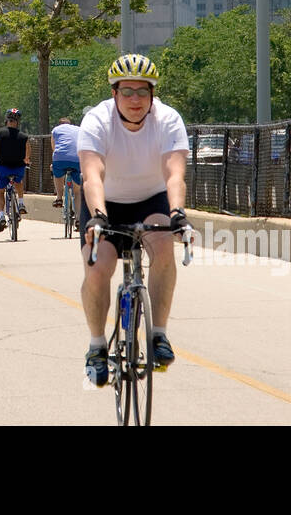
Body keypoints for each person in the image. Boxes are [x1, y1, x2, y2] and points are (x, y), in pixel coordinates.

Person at [78, 53, 191, 387]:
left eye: (143, 92)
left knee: (162, 246)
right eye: (127, 91)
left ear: (152, 95)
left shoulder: (169, 120)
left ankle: (159, 334)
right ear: (114, 94)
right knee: (98, 269)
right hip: (104, 203)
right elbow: (92, 175)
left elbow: (174, 174)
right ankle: (97, 346)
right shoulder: (97, 121)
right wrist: (98, 217)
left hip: (151, 199)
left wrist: (178, 215)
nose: (135, 100)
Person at [0, 108, 30, 231]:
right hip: (18, 167)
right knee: (18, 181)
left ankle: (1, 216)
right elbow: (28, 152)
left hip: (2, 168)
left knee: (0, 191)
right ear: (18, 121)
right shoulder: (24, 136)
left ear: (6, 120)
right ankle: (21, 203)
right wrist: (25, 160)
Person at [51, 116, 82, 211]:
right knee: (77, 191)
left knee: (57, 174)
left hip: (60, 158)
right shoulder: (78, 129)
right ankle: (78, 219)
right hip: (77, 158)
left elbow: (54, 147)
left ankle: (59, 198)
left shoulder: (55, 130)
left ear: (59, 124)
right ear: (70, 124)